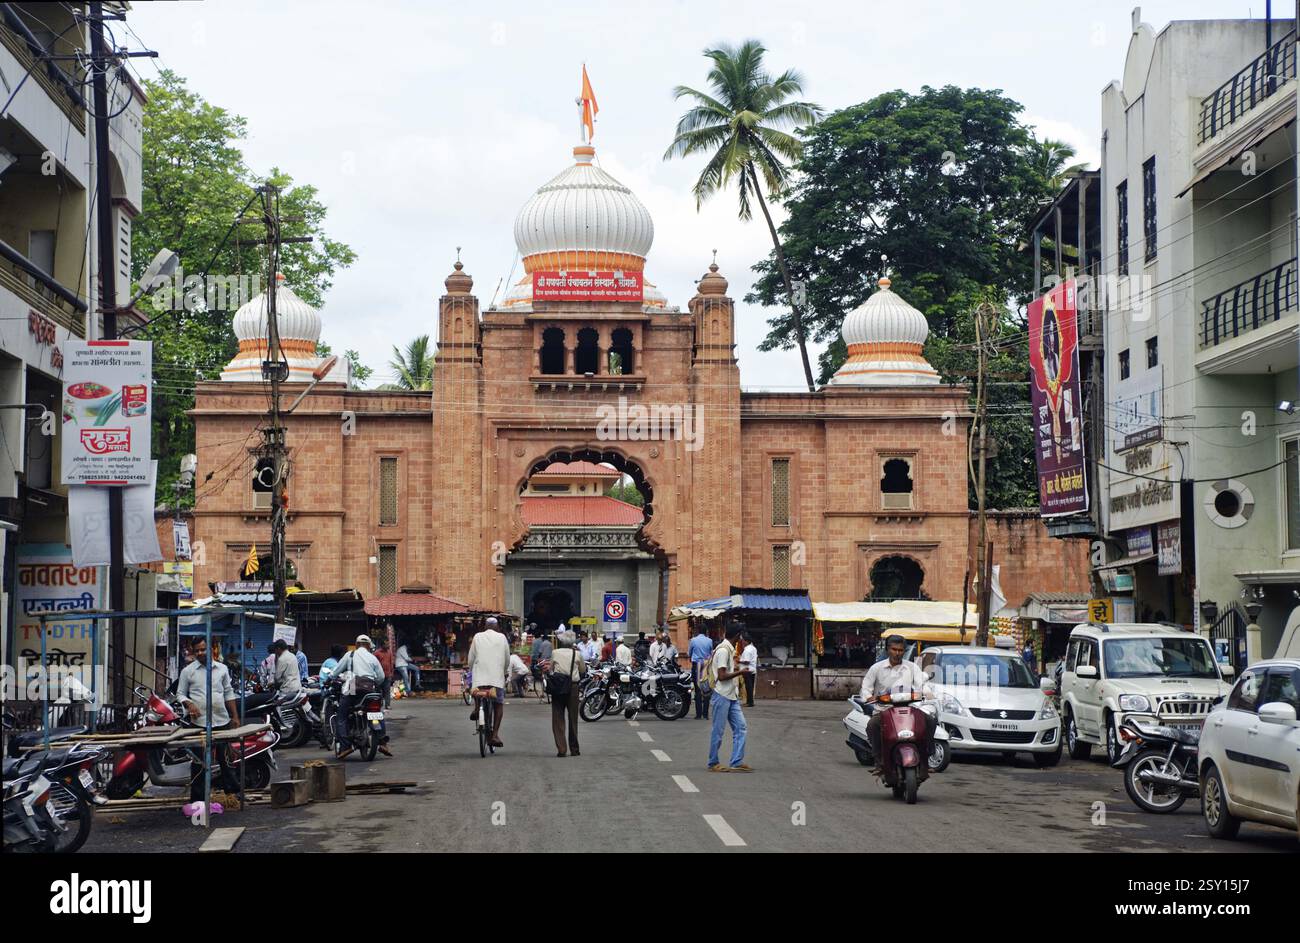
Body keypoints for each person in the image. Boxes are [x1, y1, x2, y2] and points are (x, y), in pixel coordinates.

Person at [176, 637, 241, 803]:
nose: (200, 653)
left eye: (203, 649)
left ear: (211, 649)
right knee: (199, 762)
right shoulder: (187, 671)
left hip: (221, 721)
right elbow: (180, 693)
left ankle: (232, 794)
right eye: (197, 650)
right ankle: (198, 799)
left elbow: (228, 692)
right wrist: (189, 704)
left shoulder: (222, 669)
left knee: (226, 759)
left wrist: (234, 716)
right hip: (199, 724)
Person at [860, 634, 934, 775]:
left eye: (900, 650)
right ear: (888, 649)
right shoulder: (877, 668)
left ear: (904, 651)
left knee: (930, 721)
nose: (897, 653)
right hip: (884, 710)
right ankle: (879, 762)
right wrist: (869, 697)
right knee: (872, 726)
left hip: (909, 709)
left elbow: (922, 685)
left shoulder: (912, 668)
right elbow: (866, 687)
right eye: (894, 649)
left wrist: (927, 693)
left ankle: (926, 758)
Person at [333, 634, 391, 758]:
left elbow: (336, 672)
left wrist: (330, 678)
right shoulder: (372, 657)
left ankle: (345, 746)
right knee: (376, 711)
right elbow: (381, 677)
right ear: (369, 646)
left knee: (342, 716)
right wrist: (374, 683)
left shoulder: (350, 655)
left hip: (353, 684)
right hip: (370, 686)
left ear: (357, 644)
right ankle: (383, 742)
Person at [707, 623, 750, 772]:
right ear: (737, 635)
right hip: (722, 695)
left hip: (731, 695)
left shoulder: (727, 649)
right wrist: (740, 673)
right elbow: (722, 676)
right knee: (718, 731)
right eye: (740, 636)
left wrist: (737, 670)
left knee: (741, 727)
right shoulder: (724, 651)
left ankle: (736, 761)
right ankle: (713, 762)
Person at [467, 617, 511, 748]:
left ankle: (476, 708)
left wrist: (471, 669)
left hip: (480, 676)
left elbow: (471, 657)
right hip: (496, 678)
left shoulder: (477, 636)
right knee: (498, 704)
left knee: (476, 689)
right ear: (497, 627)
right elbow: (507, 658)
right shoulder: (502, 637)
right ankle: (495, 734)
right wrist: (503, 671)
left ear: (485, 626)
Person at [547, 631, 587, 757]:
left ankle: (561, 748)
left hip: (558, 687)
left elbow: (551, 669)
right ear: (573, 643)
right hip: (573, 687)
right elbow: (582, 670)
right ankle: (574, 749)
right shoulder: (577, 654)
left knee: (558, 718)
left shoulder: (555, 653)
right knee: (573, 718)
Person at [689, 626, 714, 720]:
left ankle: (698, 714)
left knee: (698, 690)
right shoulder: (710, 641)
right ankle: (705, 714)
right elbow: (711, 654)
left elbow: (689, 653)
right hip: (706, 666)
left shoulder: (693, 640)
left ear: (698, 631)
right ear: (706, 631)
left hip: (696, 665)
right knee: (706, 689)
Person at [739, 630, 759, 707]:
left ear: (746, 641)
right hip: (752, 669)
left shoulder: (747, 650)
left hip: (747, 670)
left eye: (743, 640)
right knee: (750, 686)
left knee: (748, 687)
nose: (742, 642)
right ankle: (750, 701)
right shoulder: (753, 648)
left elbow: (746, 661)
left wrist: (739, 661)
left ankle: (750, 702)